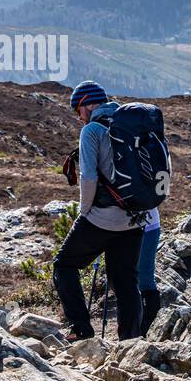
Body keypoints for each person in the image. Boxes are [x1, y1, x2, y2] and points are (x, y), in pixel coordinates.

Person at [52, 81, 144, 341]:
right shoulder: (132, 124)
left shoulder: (92, 130)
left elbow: (88, 177)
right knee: (126, 281)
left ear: (88, 104)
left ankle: (81, 329)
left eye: (78, 110)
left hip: (103, 218)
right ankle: (131, 342)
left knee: (64, 265)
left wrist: (84, 212)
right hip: (136, 218)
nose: (78, 117)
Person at [138, 209, 163, 334]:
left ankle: (150, 327)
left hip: (147, 226)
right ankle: (136, 325)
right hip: (120, 228)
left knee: (144, 279)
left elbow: (162, 191)